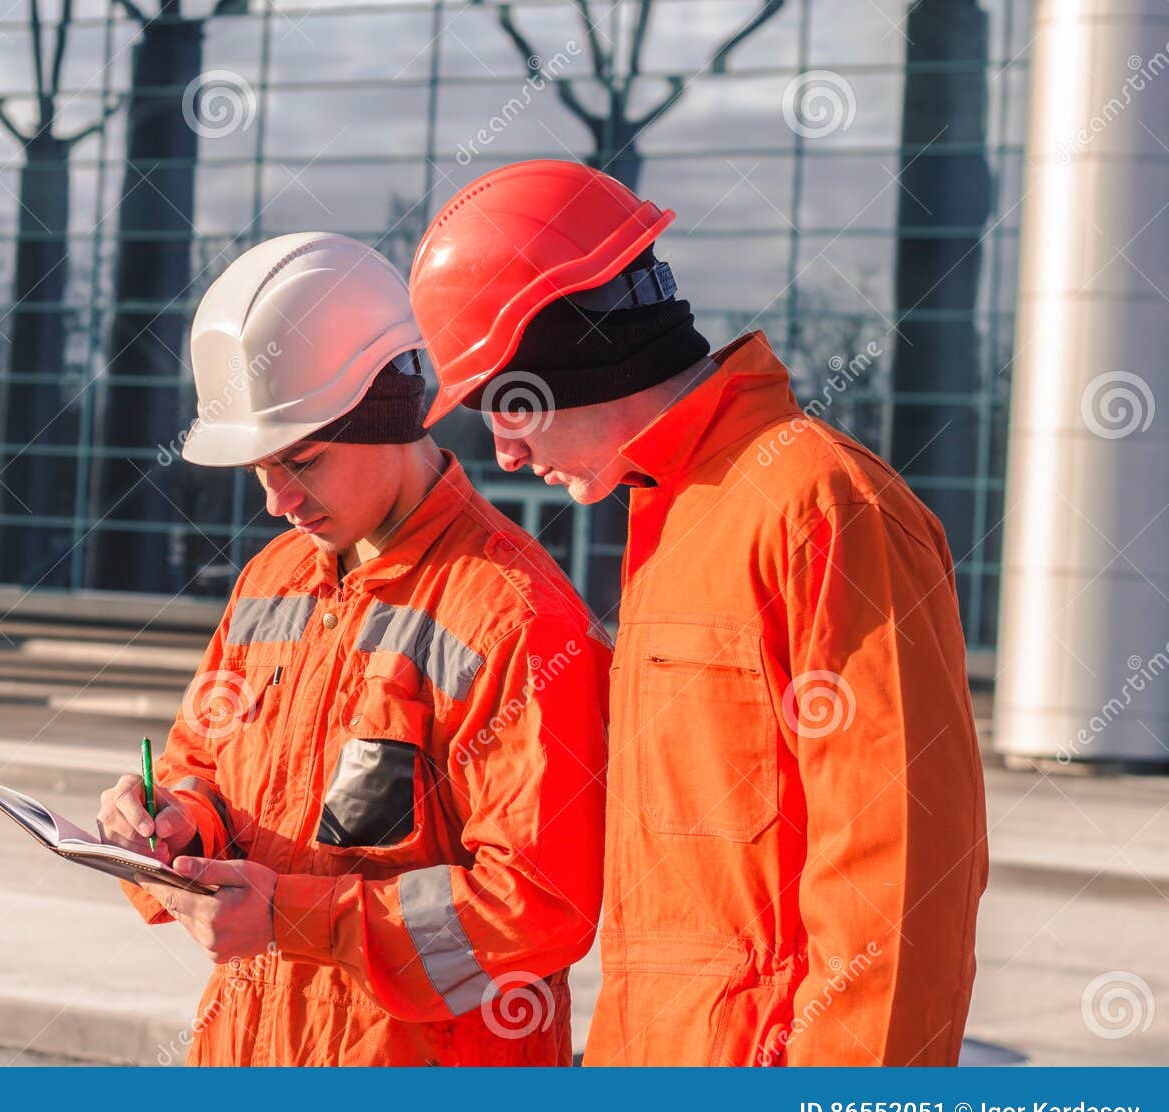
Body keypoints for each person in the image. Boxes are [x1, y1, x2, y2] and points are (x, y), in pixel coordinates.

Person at [409, 159, 988, 1066]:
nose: (506, 453)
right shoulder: (675, 523)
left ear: (570, 350)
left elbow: (901, 871)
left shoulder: (822, 506)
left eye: (500, 404)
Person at [96, 231, 610, 1066]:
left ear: (390, 417)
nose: (275, 498)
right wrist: (173, 824)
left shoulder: (514, 615)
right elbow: (208, 768)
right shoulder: (272, 580)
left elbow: (538, 908)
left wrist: (289, 917)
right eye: (259, 466)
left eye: (302, 460)